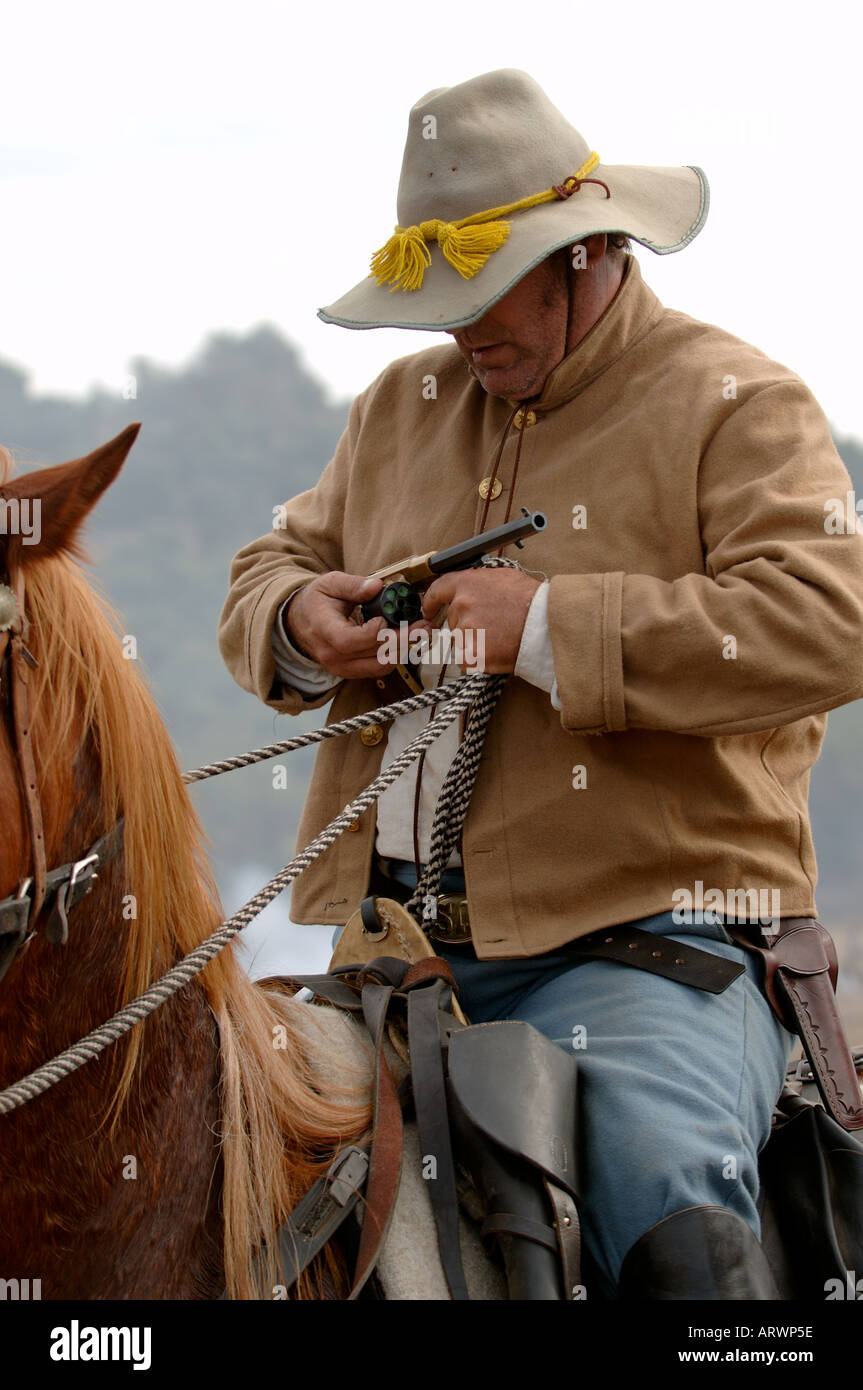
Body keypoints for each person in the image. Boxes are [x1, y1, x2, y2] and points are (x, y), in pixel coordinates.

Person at [219, 69, 863, 1299]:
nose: (458, 330)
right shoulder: (396, 408)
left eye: (483, 292)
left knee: (666, 1199)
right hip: (387, 953)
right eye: (441, 301)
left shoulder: (738, 401)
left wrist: (550, 626)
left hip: (649, 946)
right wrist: (302, 619)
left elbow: (829, 622)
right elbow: (273, 565)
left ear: (588, 250)